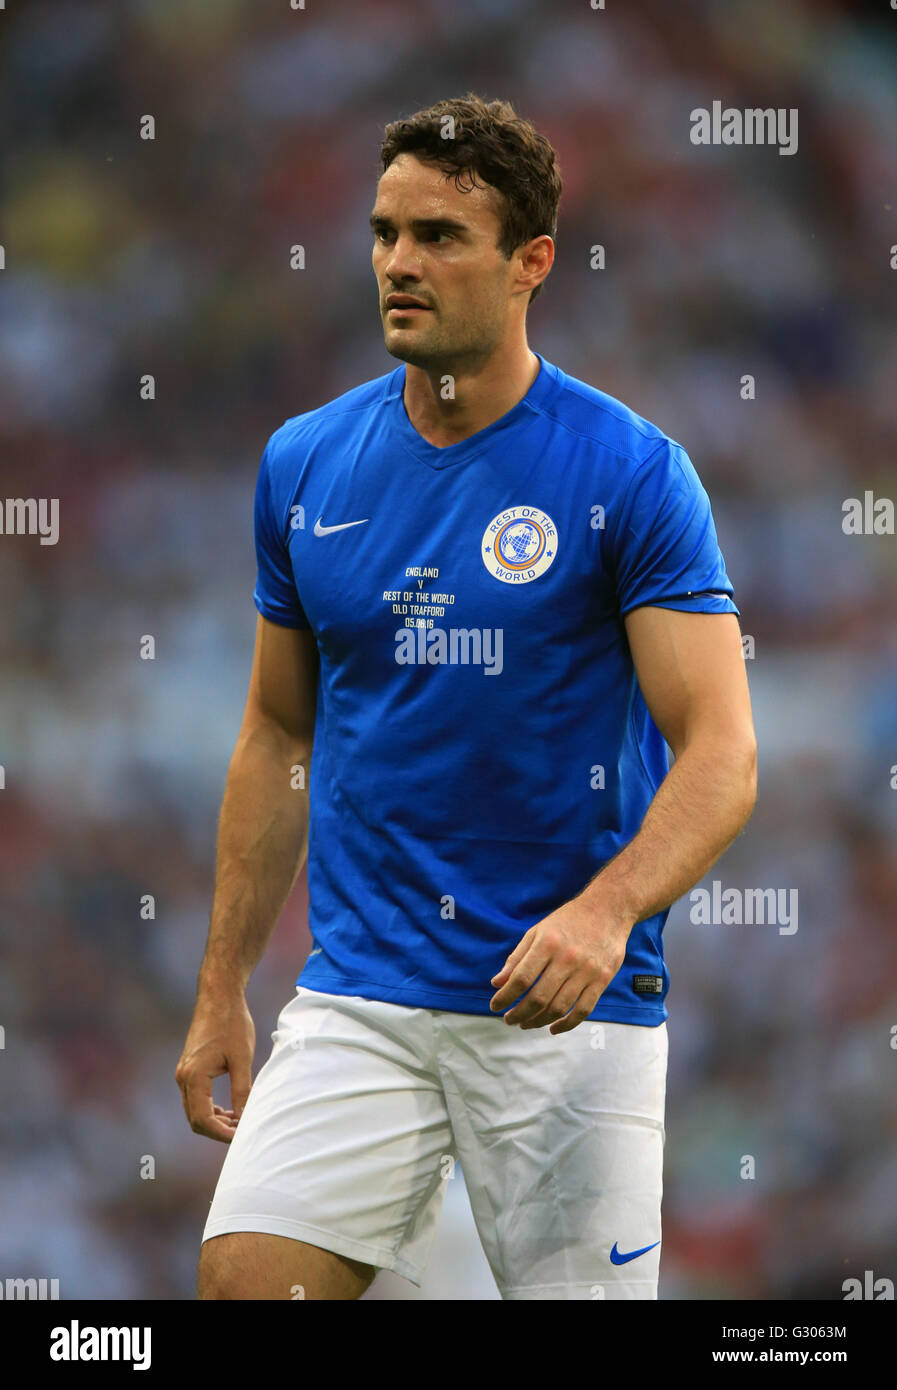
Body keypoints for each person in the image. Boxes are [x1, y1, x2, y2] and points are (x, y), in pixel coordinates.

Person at [176, 93, 757, 1301]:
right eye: (385, 232)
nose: (398, 262)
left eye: (439, 236)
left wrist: (603, 916)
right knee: (244, 1285)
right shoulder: (304, 464)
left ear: (530, 262)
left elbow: (721, 753)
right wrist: (223, 981)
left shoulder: (631, 473)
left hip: (564, 1013)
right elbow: (279, 733)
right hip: (361, 995)